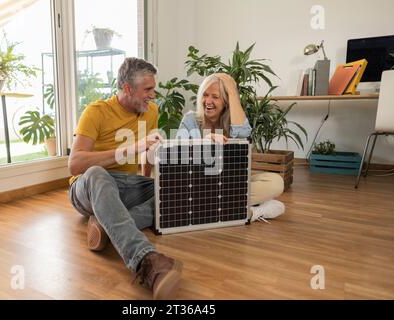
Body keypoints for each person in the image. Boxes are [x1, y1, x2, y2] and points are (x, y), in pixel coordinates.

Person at [68, 58, 183, 300]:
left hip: (126, 186)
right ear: (128, 89)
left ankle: (106, 224)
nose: (153, 95)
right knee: (97, 174)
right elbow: (75, 164)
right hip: (88, 188)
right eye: (147, 90)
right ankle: (147, 261)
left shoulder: (151, 110)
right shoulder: (96, 112)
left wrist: (147, 181)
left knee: (171, 189)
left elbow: (148, 151)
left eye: (153, 88)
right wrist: (131, 148)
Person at [176, 73, 285, 223]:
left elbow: (243, 134)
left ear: (226, 101)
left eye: (215, 97)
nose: (208, 101)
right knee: (181, 191)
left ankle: (216, 207)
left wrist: (232, 91)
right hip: (199, 184)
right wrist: (204, 141)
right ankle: (253, 211)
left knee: (276, 182)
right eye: (205, 95)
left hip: (230, 182)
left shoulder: (233, 119)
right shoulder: (191, 119)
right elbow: (177, 157)